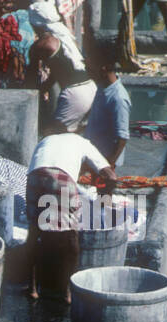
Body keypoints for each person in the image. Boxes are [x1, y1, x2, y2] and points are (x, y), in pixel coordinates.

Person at [25, 122, 117, 302]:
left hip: (34, 176)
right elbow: (111, 176)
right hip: (61, 178)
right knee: (71, 235)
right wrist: (104, 198)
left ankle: (32, 288)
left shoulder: (46, 141)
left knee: (34, 232)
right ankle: (68, 292)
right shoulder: (82, 142)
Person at [31, 32, 96, 133]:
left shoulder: (43, 44)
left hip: (76, 93)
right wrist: (42, 89)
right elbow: (57, 73)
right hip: (91, 87)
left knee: (52, 133)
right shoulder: (65, 37)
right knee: (72, 134)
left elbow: (31, 75)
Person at [85, 46, 133, 166]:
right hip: (93, 155)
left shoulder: (118, 98)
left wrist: (109, 165)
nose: (87, 71)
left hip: (104, 160)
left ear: (103, 69)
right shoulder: (102, 87)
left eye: (90, 68)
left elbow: (122, 137)